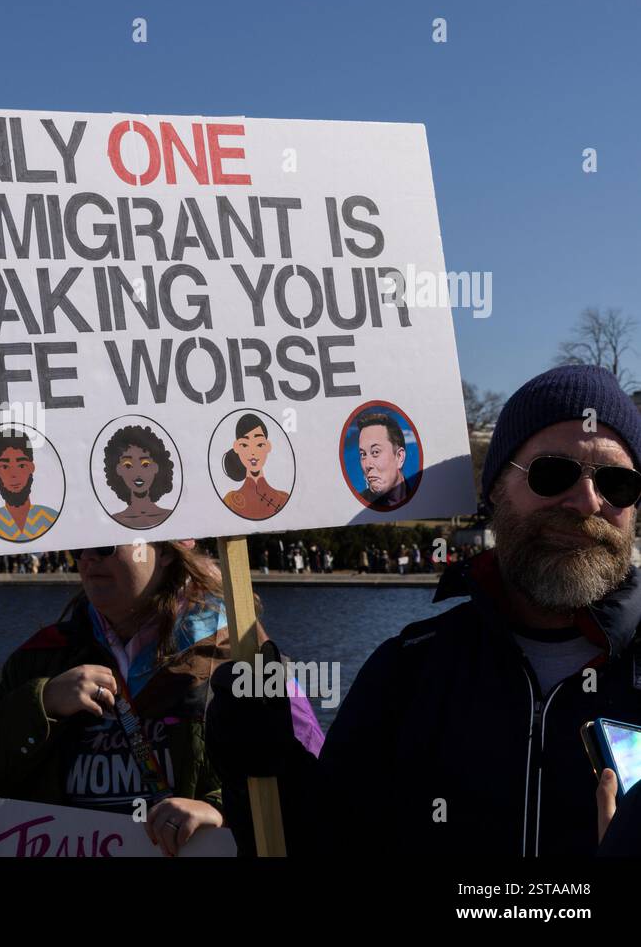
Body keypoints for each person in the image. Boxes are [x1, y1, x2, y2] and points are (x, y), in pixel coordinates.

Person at [206, 364, 641, 856]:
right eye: (553, 473)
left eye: (618, 483)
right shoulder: (409, 670)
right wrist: (263, 774)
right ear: (496, 489)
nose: (587, 501)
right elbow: (326, 844)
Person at [0, 539, 323, 856]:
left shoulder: (245, 655)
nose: (87, 557)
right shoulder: (39, 657)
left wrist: (221, 812)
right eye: (78, 547)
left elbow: (309, 781)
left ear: (165, 550)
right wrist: (42, 704)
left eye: (104, 544)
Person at [0, 431, 59, 542]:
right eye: (5, 467)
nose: (14, 475)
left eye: (21, 465)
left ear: (31, 467)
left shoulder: (52, 518)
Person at [102, 425, 176, 530]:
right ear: (118, 469)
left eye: (145, 464)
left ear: (157, 467)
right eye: (128, 465)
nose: (137, 472)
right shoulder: (112, 522)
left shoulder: (173, 518)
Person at [221, 414, 290, 520]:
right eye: (245, 445)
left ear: (268, 446)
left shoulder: (283, 498)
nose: (253, 452)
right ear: (237, 447)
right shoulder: (230, 502)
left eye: (259, 444)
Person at [356, 412, 413, 509]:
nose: (367, 465)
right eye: (363, 454)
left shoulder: (422, 496)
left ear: (399, 457)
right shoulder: (357, 506)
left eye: (375, 452)